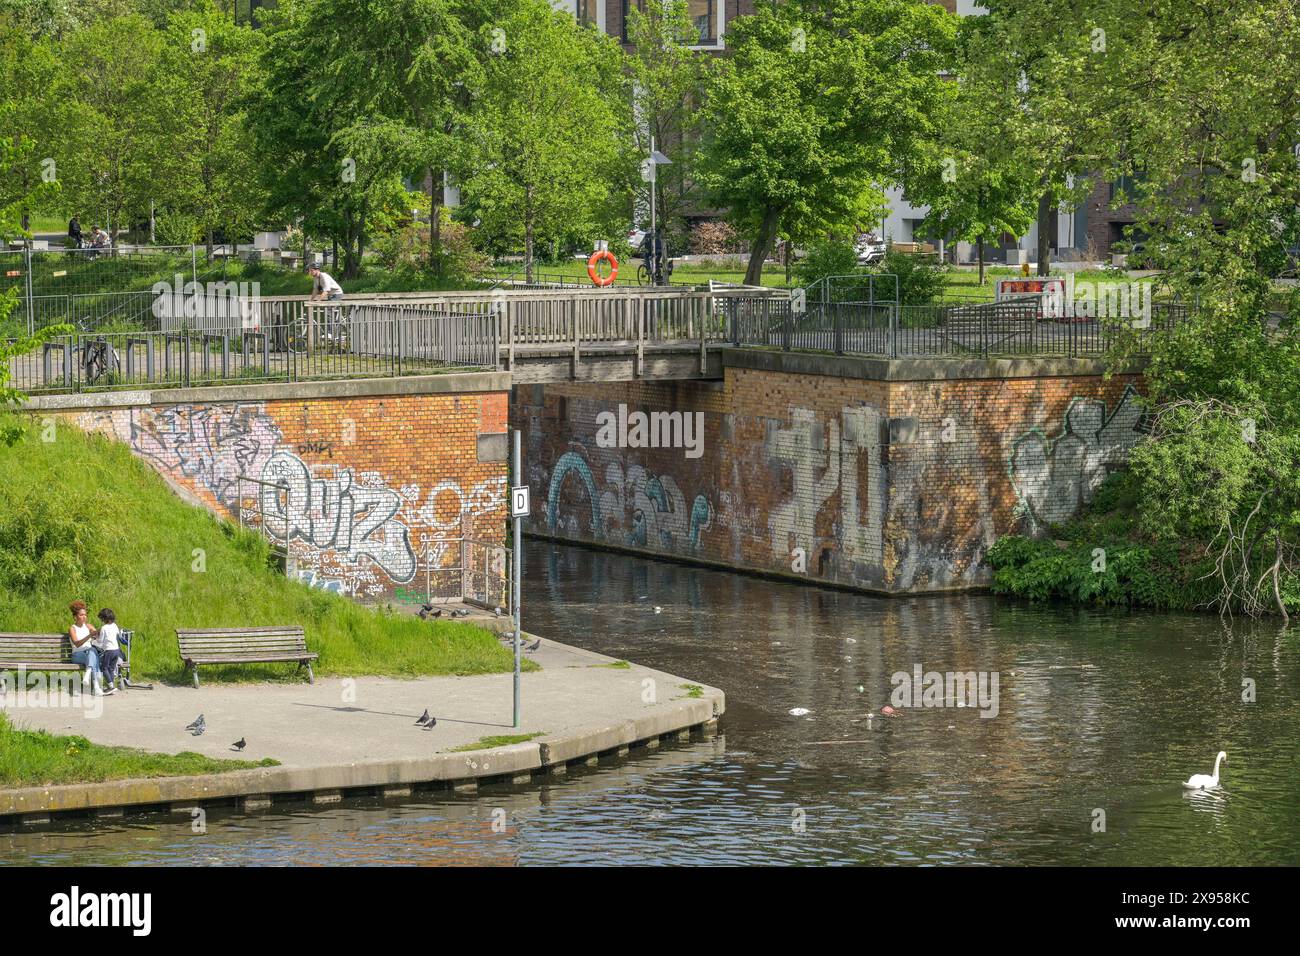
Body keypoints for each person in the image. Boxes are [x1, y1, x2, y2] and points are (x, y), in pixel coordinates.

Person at [68, 600, 112, 696]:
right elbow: (77, 644)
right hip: (77, 655)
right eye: (81, 615)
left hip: (89, 655)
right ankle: (96, 687)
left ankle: (88, 675)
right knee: (93, 654)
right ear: (75, 617)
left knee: (92, 652)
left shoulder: (88, 626)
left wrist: (106, 627)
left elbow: (96, 632)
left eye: (85, 615)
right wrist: (89, 636)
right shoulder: (72, 628)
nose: (84, 617)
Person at [95, 608, 124, 690]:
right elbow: (117, 635)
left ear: (104, 618)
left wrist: (95, 639)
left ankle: (110, 685)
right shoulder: (115, 626)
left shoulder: (104, 628)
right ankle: (111, 686)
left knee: (104, 668)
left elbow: (100, 642)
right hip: (116, 650)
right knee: (111, 668)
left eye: (101, 619)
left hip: (109, 651)